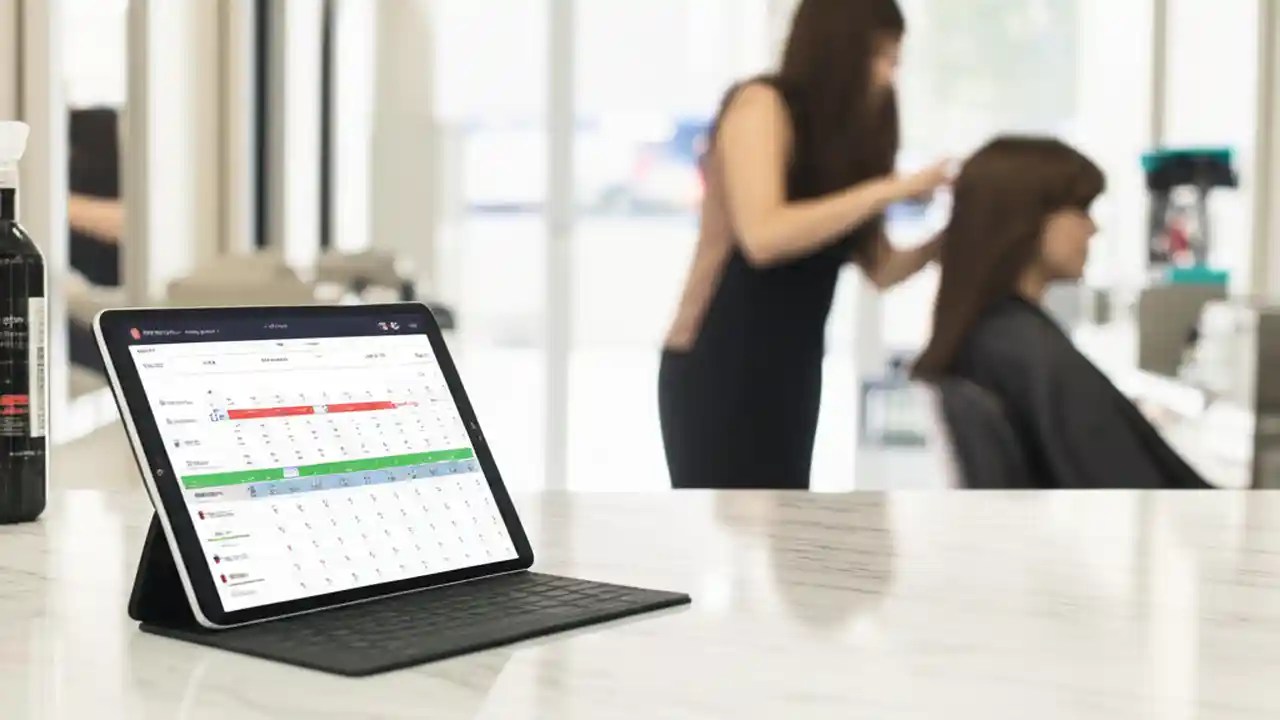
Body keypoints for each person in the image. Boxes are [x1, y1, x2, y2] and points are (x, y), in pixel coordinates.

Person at [659, 0, 951, 490]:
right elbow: (763, 237)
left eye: (895, 60)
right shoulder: (762, 104)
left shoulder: (852, 141)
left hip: (793, 366)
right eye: (879, 57)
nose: (887, 75)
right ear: (837, 50)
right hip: (719, 356)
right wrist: (888, 189)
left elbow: (882, 268)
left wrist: (947, 240)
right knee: (716, 528)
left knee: (784, 527)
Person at [914, 136, 1210, 489]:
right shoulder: (1028, 350)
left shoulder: (996, 339)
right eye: (1082, 209)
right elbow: (1127, 487)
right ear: (1027, 217)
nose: (1093, 228)